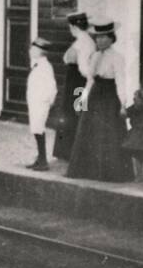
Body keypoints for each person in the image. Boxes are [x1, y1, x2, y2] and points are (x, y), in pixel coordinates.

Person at [67, 19, 134, 183]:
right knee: (88, 131)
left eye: (104, 37)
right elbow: (89, 80)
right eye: (97, 38)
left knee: (108, 134)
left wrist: (123, 104)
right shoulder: (95, 56)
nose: (100, 40)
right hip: (94, 96)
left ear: (112, 38)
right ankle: (87, 171)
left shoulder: (117, 57)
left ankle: (108, 173)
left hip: (109, 98)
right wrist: (81, 101)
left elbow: (120, 81)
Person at [52, 12, 95, 161]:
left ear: (74, 26)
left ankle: (72, 153)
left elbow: (84, 69)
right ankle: (67, 152)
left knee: (74, 115)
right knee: (70, 115)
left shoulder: (84, 42)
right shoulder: (82, 40)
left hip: (78, 83)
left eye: (70, 26)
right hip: (74, 82)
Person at [25, 39, 58, 171]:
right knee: (36, 129)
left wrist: (47, 101)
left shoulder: (45, 67)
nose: (30, 51)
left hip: (41, 103)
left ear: (40, 52)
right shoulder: (38, 65)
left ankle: (43, 161)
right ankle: (40, 158)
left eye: (32, 49)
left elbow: (52, 87)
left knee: (38, 129)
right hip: (35, 102)